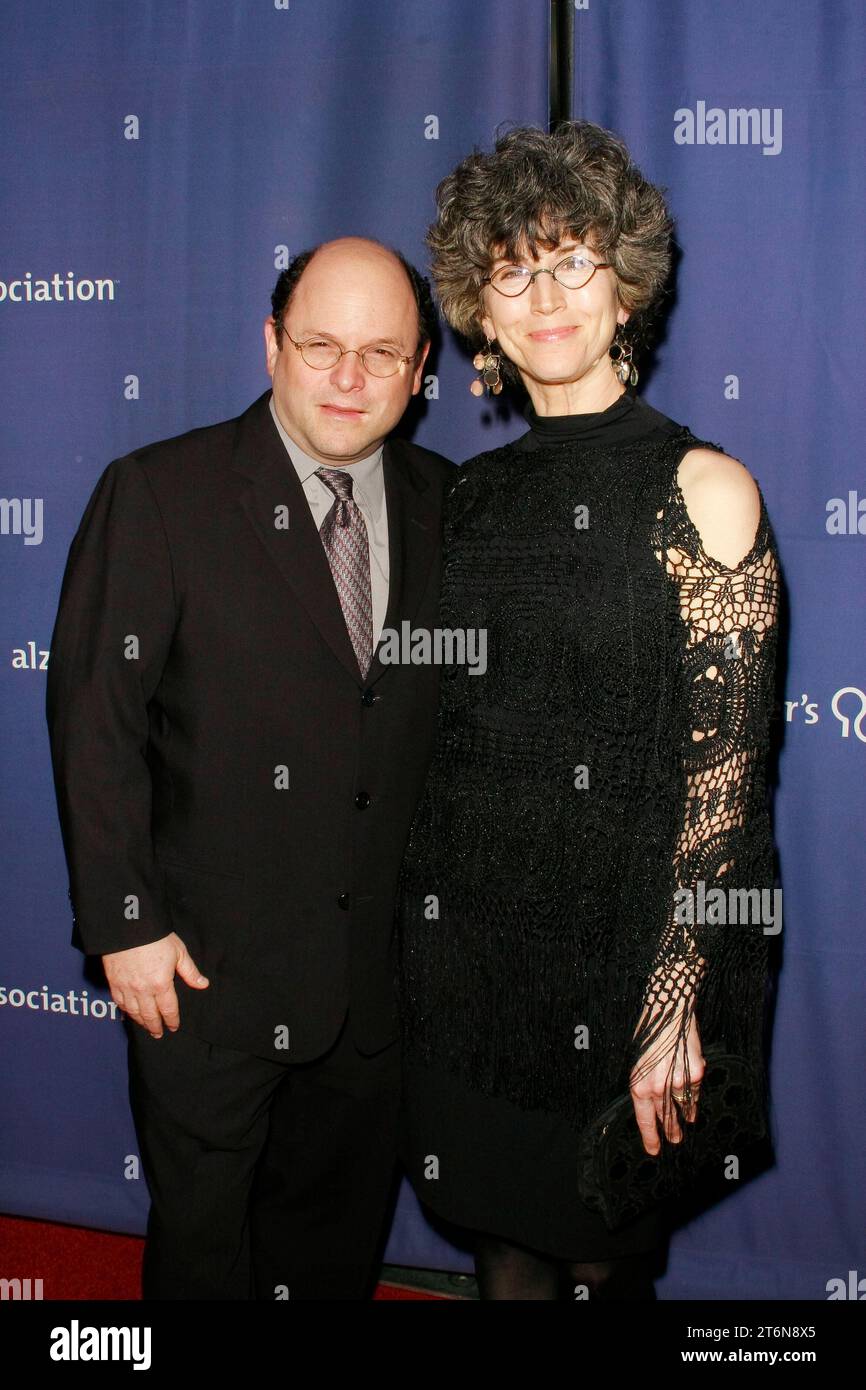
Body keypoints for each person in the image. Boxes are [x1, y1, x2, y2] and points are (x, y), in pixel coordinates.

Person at [396, 122, 781, 1300]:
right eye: (512, 268)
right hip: (472, 965)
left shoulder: (701, 488)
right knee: (502, 1253)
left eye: (572, 260)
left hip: (625, 968)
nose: (544, 293)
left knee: (605, 1263)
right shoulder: (469, 497)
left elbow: (725, 785)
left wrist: (674, 1000)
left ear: (625, 286)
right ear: (481, 307)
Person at [45, 236, 453, 1300]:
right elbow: (94, 717)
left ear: (420, 374)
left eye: (381, 353)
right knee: (203, 1254)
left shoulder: (454, 508)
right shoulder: (159, 493)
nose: (349, 378)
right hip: (203, 978)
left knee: (329, 1254)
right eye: (320, 345)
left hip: (375, 989)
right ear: (270, 344)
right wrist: (124, 922)